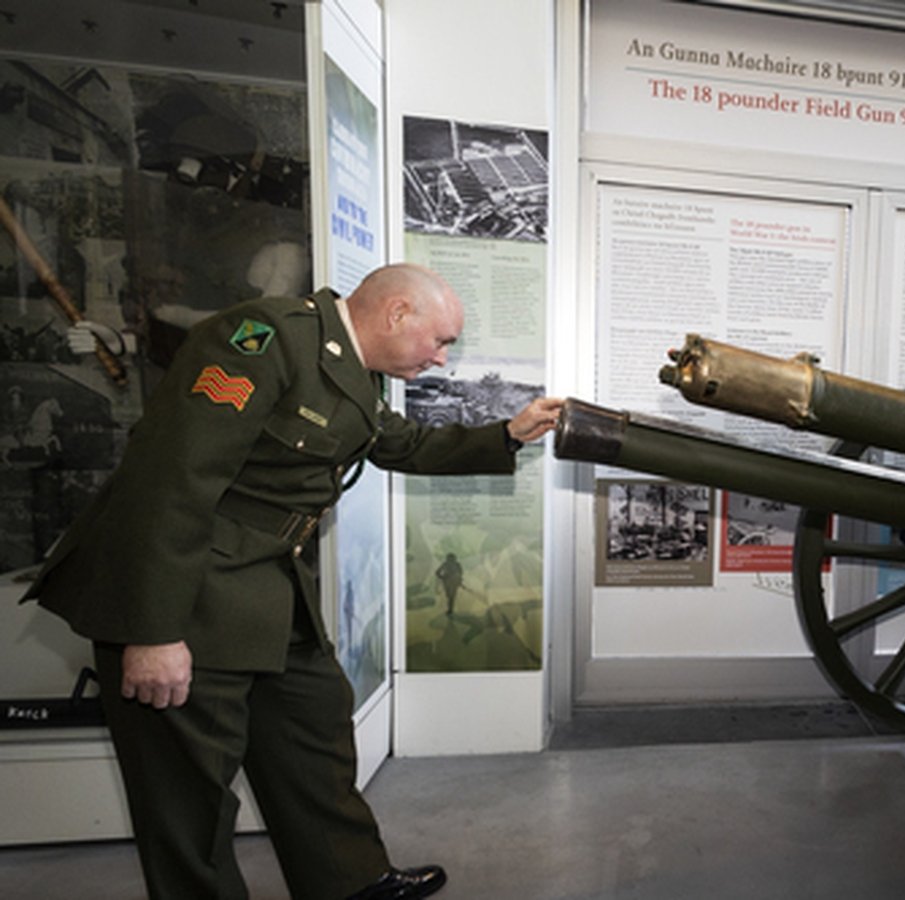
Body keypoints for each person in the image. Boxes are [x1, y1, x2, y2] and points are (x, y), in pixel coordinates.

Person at [25, 263, 564, 900]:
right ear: (396, 314)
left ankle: (349, 883)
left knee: (314, 734)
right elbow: (170, 480)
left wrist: (506, 434)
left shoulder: (349, 369)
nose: (443, 359)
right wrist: (152, 631)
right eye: (440, 341)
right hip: (185, 589)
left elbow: (400, 442)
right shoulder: (261, 340)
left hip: (263, 585)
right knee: (188, 797)